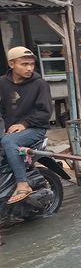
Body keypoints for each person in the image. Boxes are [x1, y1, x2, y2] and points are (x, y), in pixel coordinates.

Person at [0, 46, 52, 204]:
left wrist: (24, 123)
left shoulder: (40, 84)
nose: (29, 68)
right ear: (11, 64)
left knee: (8, 142)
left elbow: (45, 112)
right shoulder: (2, 83)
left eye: (31, 64)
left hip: (35, 129)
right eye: (24, 64)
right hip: (10, 130)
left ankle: (23, 183)